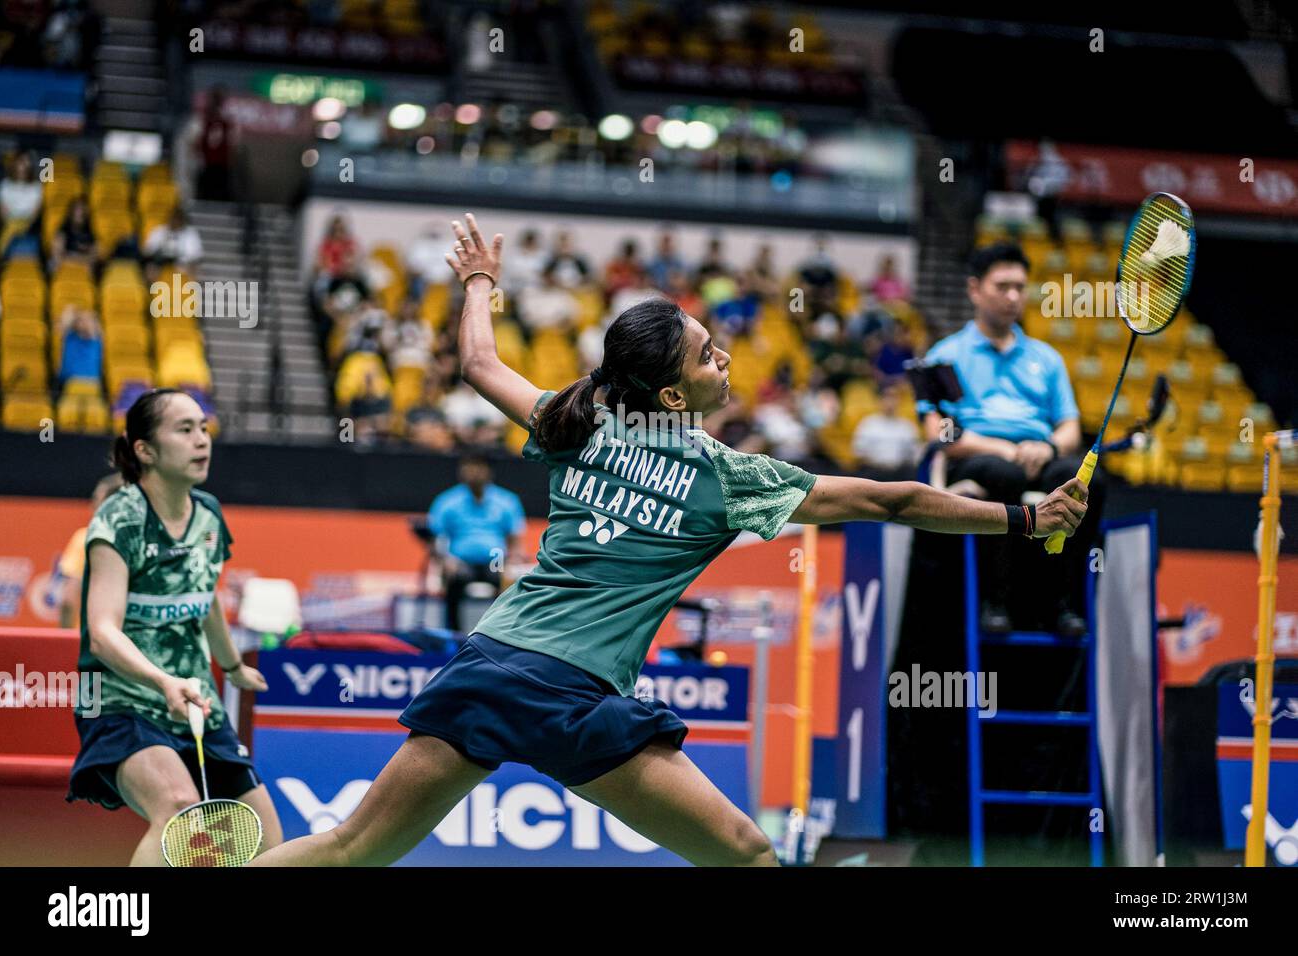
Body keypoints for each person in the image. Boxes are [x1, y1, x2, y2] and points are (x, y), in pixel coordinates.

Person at [249, 213, 1087, 868]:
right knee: (750, 854)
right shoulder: (725, 478)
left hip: (491, 664)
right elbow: (892, 497)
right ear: (675, 393)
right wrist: (1022, 518)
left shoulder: (583, 422)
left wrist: (477, 282)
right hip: (574, 696)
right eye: (706, 355)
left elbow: (477, 364)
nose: (724, 357)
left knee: (351, 849)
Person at [67, 388, 283, 865]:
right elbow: (102, 633)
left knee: (267, 834)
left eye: (203, 428)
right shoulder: (120, 519)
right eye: (184, 430)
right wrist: (162, 681)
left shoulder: (208, 514)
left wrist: (231, 666)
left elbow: (204, 601)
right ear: (144, 449)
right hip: (115, 698)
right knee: (179, 808)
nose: (201, 440)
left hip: (193, 698)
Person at [917, 242, 1103, 636]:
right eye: (1002, 286)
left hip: (1040, 456)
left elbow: (1069, 427)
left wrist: (1048, 447)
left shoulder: (1046, 358)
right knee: (1002, 474)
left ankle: (1066, 606)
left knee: (1082, 480)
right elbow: (939, 432)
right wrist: (1001, 448)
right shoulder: (943, 355)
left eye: (1020, 287)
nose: (1014, 296)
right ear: (974, 290)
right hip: (979, 456)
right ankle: (995, 603)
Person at [427, 452, 526, 632]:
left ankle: (500, 632)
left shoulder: (507, 501)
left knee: (505, 578)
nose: (473, 471)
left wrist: (513, 561)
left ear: (489, 471)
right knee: (454, 580)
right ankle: (454, 634)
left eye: (478, 467)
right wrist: (445, 559)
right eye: (468, 466)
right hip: (460, 561)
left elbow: (514, 540)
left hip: (495, 559)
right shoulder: (447, 501)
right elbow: (437, 539)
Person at [55, 473, 125, 629]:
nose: (91, 506)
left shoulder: (86, 538)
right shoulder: (143, 542)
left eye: (96, 500)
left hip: (90, 641)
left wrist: (64, 639)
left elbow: (68, 599)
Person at [852, 382, 921, 475]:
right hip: (874, 472)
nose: (890, 402)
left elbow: (914, 455)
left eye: (893, 398)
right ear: (879, 400)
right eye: (886, 397)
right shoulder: (868, 424)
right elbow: (858, 453)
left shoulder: (907, 426)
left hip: (899, 473)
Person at [58, 305, 104, 387]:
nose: (83, 322)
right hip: (67, 382)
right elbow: (64, 322)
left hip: (89, 382)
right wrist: (73, 312)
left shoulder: (94, 336)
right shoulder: (70, 336)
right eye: (80, 320)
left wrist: (85, 317)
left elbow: (90, 328)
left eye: (87, 320)